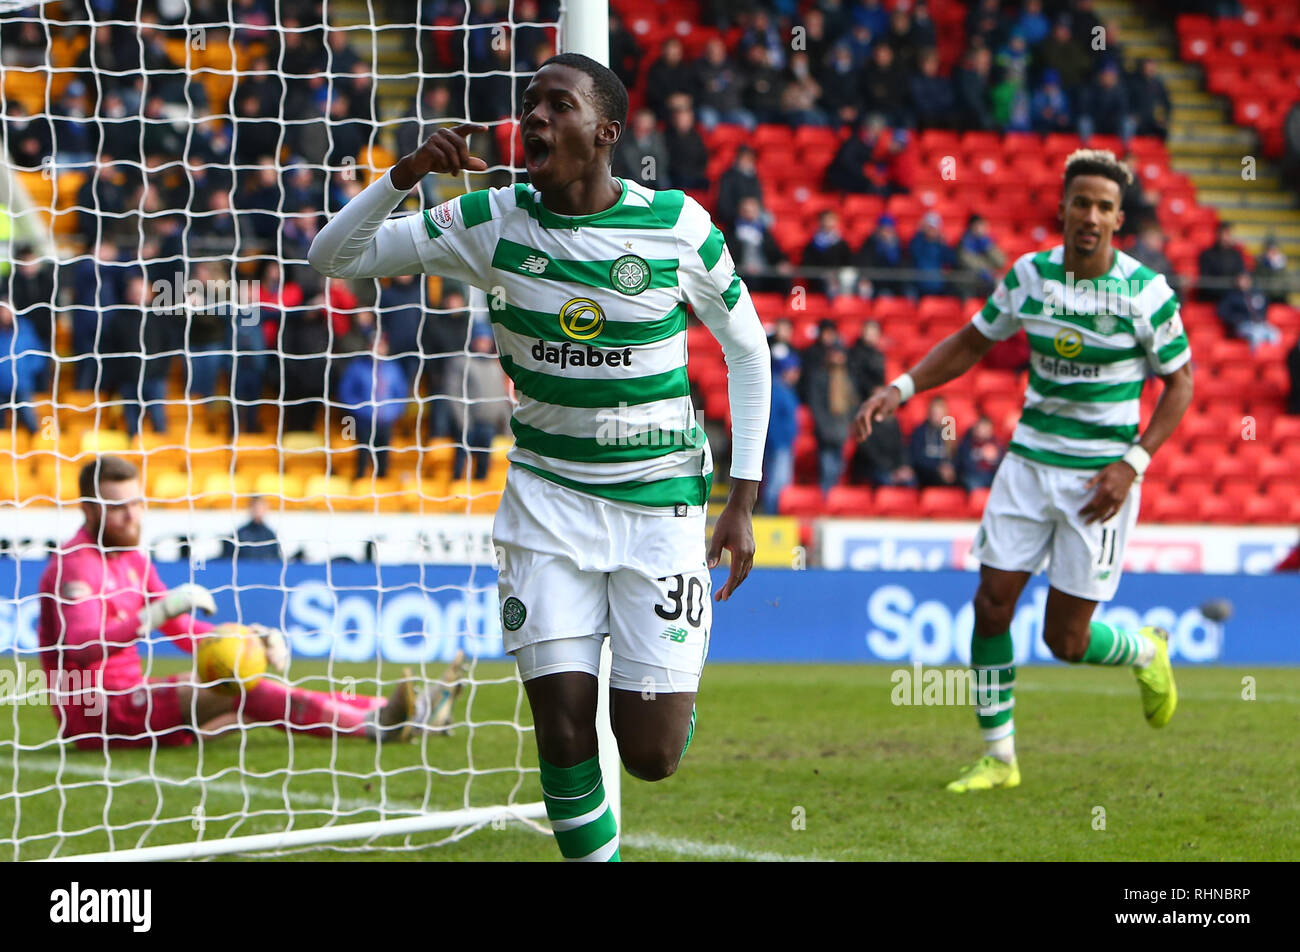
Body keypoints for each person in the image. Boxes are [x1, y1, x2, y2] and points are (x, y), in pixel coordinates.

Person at [308, 53, 771, 863]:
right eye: (531, 106)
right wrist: (408, 173)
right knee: (560, 731)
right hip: (547, 506)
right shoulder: (491, 220)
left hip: (659, 506)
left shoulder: (676, 225)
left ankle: (669, 679)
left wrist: (741, 498)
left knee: (651, 756)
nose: (537, 120)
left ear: (605, 134)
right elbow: (332, 258)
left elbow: (749, 351)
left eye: (559, 106)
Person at [855, 149, 1193, 793]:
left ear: (1118, 219)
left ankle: (1146, 650)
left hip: (1101, 480)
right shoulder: (1028, 278)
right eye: (1080, 202)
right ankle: (999, 758)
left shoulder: (1145, 293)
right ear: (1062, 208)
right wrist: (900, 388)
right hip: (1029, 465)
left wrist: (1133, 463)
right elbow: (972, 341)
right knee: (990, 604)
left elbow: (1181, 385)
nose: (1090, 215)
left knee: (1066, 640)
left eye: (1103, 206)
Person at [37, 456, 450, 750]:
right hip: (94, 711)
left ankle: (400, 711)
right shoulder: (76, 566)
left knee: (246, 688)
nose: (133, 516)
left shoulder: (132, 558)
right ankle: (373, 726)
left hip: (133, 696)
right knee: (241, 691)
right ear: (89, 510)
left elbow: (185, 633)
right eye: (118, 508)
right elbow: (79, 645)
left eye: (137, 503)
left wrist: (249, 638)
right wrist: (156, 612)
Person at [337, 332, 409, 479]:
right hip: (364, 422)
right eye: (374, 345)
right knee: (363, 457)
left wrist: (392, 412)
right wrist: (362, 410)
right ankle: (360, 483)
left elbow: (401, 394)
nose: (378, 349)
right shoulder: (357, 368)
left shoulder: (393, 369)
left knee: (383, 458)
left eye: (381, 346)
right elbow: (346, 393)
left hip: (385, 422)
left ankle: (381, 483)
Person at [448, 325, 512, 480]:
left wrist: (506, 423)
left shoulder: (495, 366)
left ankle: (480, 489)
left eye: (486, 340)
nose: (483, 344)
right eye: (480, 340)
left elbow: (501, 396)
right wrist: (463, 421)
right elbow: (454, 392)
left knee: (484, 463)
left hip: (489, 424)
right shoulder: (462, 363)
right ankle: (455, 486)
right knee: (461, 462)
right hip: (468, 424)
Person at [807, 345, 857, 493]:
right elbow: (816, 406)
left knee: (839, 470)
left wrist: (849, 425)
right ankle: (825, 502)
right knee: (827, 470)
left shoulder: (848, 379)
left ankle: (833, 502)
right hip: (826, 432)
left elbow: (853, 404)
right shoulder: (820, 377)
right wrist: (824, 427)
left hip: (841, 431)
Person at [763, 351, 800, 515]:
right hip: (778, 446)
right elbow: (772, 421)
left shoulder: (785, 389)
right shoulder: (777, 390)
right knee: (776, 485)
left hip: (784, 445)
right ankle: (771, 518)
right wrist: (777, 444)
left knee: (781, 485)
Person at [1217, 272, 1280, 351]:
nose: (1244, 282)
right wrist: (1237, 320)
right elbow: (1222, 312)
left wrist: (1261, 317)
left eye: (1246, 279)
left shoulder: (1257, 293)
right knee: (1256, 335)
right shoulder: (1231, 296)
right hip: (1242, 325)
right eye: (1242, 280)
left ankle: (1272, 356)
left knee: (1274, 333)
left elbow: (1265, 306)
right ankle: (1255, 359)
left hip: (1259, 323)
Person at [910, 395, 959, 487]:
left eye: (939, 413)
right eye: (934, 413)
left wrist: (950, 467)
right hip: (928, 473)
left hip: (946, 473)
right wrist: (938, 467)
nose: (936, 417)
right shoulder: (920, 431)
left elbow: (955, 456)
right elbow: (917, 458)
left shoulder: (949, 431)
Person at [221, 495, 282, 563]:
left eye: (260, 507)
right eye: (255, 507)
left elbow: (276, 559)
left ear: (266, 509)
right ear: (250, 508)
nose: (258, 510)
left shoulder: (270, 535)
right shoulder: (240, 534)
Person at [1196, 222, 1246, 303]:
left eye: (1228, 234)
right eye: (1224, 234)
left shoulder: (1236, 254)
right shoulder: (1207, 254)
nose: (1226, 237)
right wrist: (1232, 283)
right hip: (1214, 295)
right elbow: (1206, 281)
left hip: (1233, 294)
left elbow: (1241, 272)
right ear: (1218, 235)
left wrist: (1242, 279)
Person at [957, 414, 1003, 490]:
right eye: (982, 428)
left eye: (987, 429)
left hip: (991, 476)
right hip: (974, 476)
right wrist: (980, 454)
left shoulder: (995, 444)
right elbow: (963, 464)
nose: (984, 431)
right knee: (973, 482)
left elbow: (1002, 465)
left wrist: (995, 459)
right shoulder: (966, 442)